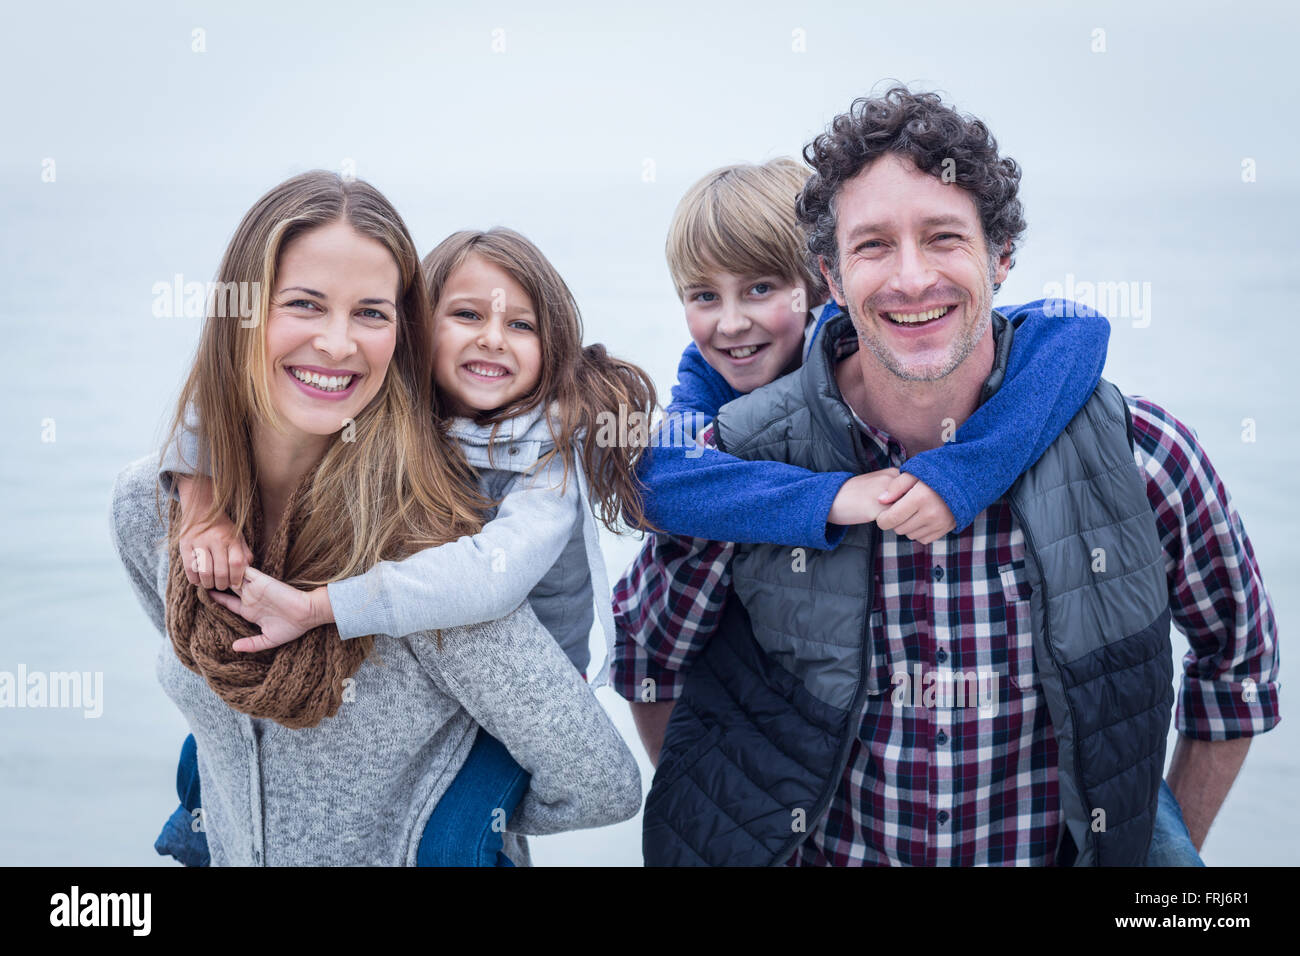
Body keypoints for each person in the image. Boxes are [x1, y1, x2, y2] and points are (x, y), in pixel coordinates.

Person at [614, 89, 1278, 866]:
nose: (911, 278)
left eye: (943, 238)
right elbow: (648, 660)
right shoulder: (743, 456)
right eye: (872, 247)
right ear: (829, 275)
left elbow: (1237, 669)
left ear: (1001, 257)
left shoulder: (1141, 453)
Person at [110, 170, 642, 866]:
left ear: (401, 336)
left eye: (370, 313)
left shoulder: (430, 563)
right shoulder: (151, 507)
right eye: (304, 303)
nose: (337, 344)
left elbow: (601, 783)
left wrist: (443, 825)